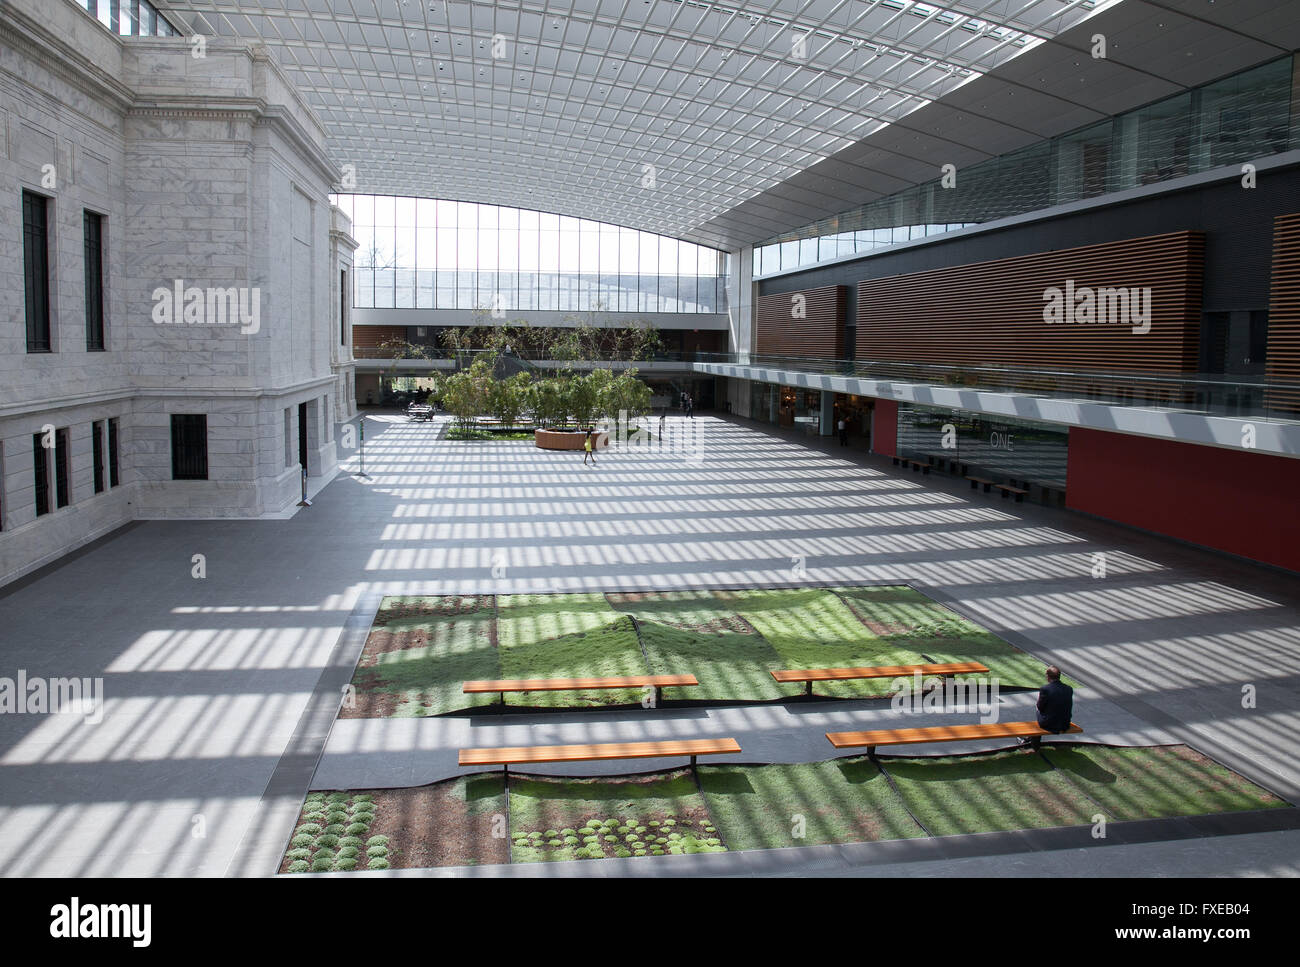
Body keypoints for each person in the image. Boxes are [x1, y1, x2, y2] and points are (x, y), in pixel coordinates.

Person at [1021, 666, 1073, 744]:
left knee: (1038, 709)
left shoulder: (1045, 689)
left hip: (1050, 724)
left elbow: (1040, 707)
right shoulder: (1069, 688)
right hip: (1065, 723)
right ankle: (1030, 739)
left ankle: (1033, 743)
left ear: (1048, 676)